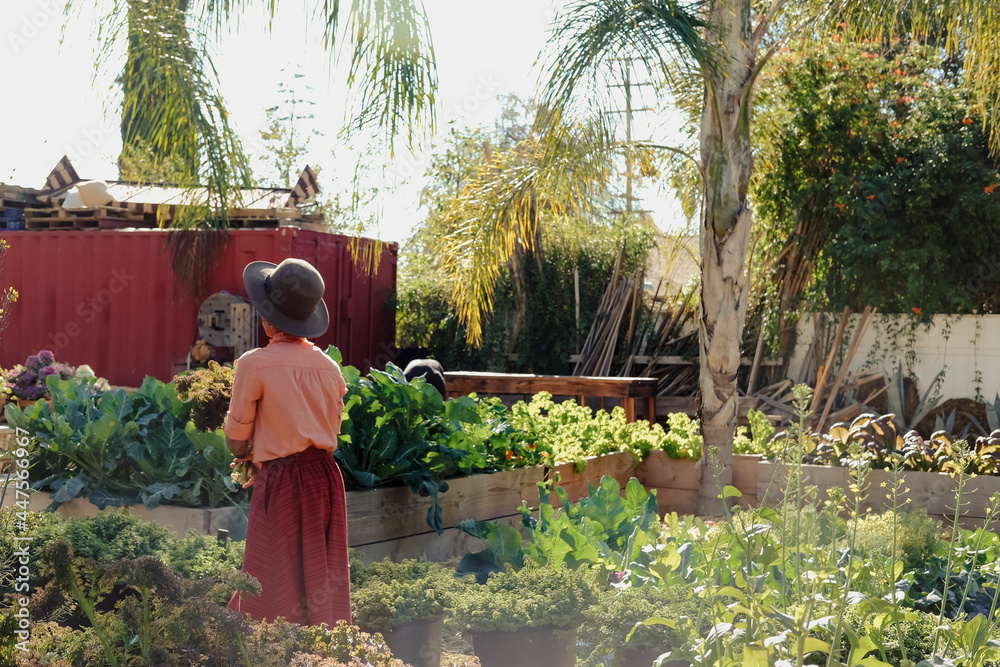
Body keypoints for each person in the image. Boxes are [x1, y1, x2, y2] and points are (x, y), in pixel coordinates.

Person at [224, 258, 351, 626]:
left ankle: (270, 649)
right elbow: (329, 427)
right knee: (319, 572)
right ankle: (323, 650)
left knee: (271, 574)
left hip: (282, 480)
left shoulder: (254, 363)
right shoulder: (330, 368)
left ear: (267, 318)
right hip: (326, 479)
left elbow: (236, 440)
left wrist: (249, 455)